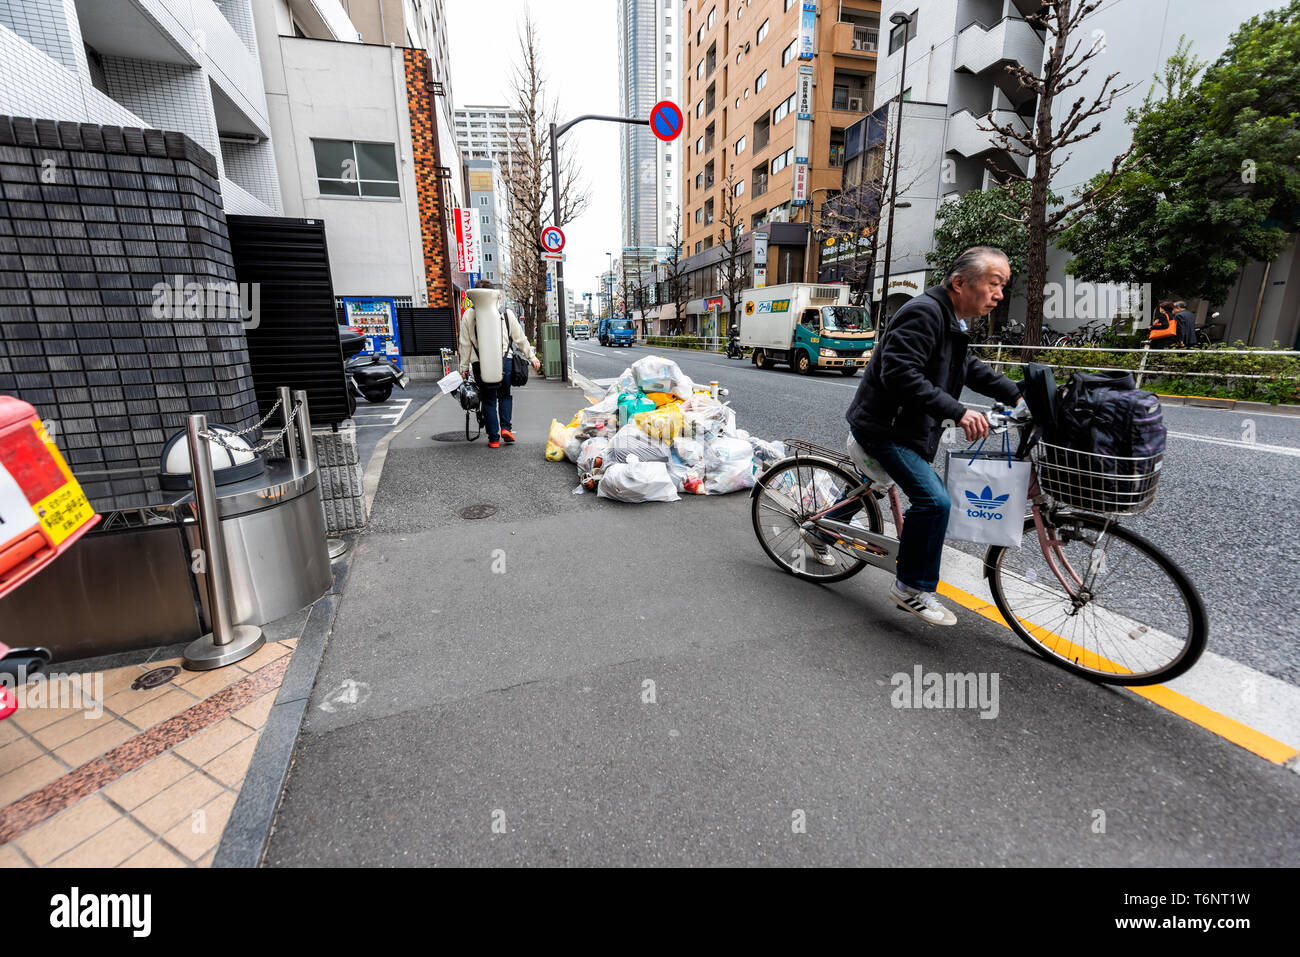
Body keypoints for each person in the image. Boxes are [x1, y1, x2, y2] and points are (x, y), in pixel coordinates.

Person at [836, 246, 1023, 626]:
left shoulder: (951, 318)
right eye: (994, 284)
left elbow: (968, 367)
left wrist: (1016, 393)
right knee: (934, 502)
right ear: (959, 283)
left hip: (906, 427)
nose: (999, 294)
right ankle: (910, 588)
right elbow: (899, 375)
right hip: (885, 428)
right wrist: (958, 411)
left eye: (1003, 286)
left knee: (870, 484)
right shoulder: (925, 313)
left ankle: (820, 532)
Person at [456, 280, 540, 449]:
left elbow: (464, 344)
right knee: (505, 395)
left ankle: (493, 438)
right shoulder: (506, 313)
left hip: (480, 364)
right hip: (505, 362)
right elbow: (520, 338)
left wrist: (463, 368)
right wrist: (532, 357)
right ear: (494, 295)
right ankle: (506, 428)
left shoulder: (468, 315)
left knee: (488, 400)